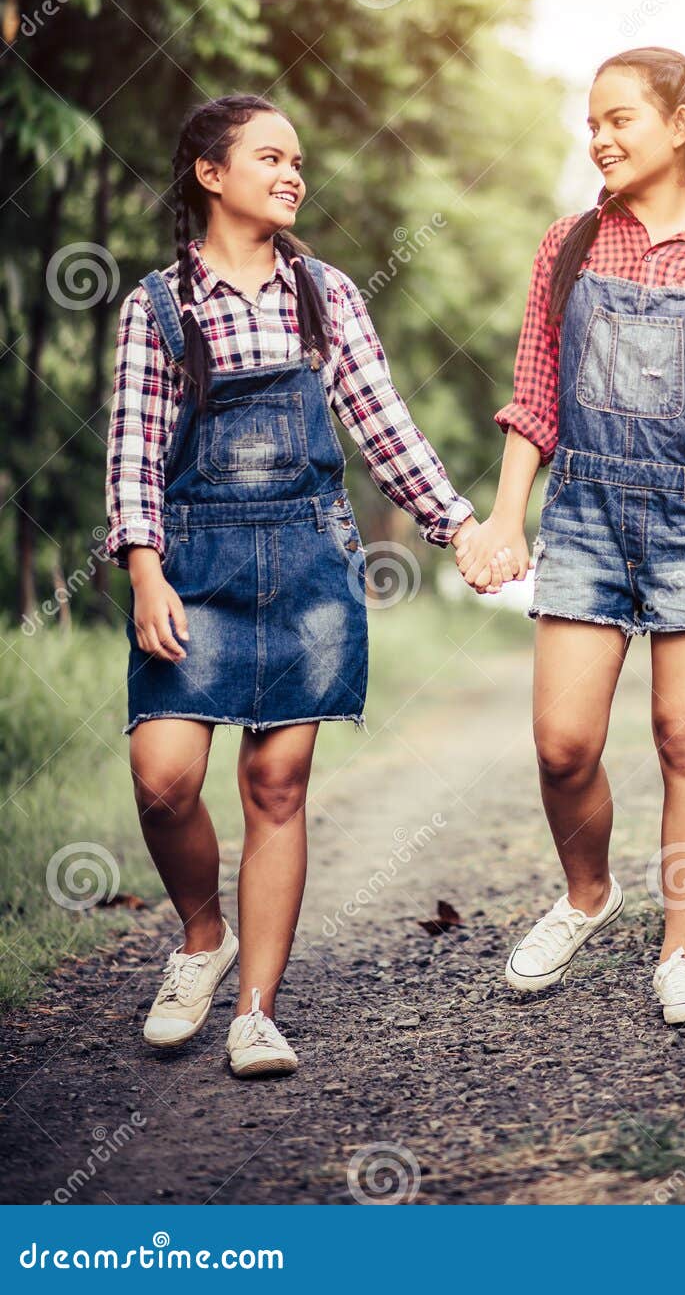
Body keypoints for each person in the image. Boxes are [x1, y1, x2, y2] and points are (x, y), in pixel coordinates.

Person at [105, 93, 491, 1077]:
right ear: (210, 173)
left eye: (299, 162)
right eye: (271, 157)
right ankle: (204, 936)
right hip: (194, 565)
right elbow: (134, 454)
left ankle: (256, 1011)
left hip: (309, 560)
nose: (292, 175)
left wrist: (458, 524)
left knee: (276, 786)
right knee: (164, 780)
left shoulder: (327, 295)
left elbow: (381, 422)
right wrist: (144, 569)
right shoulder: (158, 306)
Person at [455, 47, 685, 1025]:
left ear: (680, 127)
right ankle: (587, 893)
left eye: (620, 119)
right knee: (563, 745)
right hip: (587, 514)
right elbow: (534, 396)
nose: (600, 139)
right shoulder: (567, 246)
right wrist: (506, 516)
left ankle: (682, 955)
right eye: (592, 123)